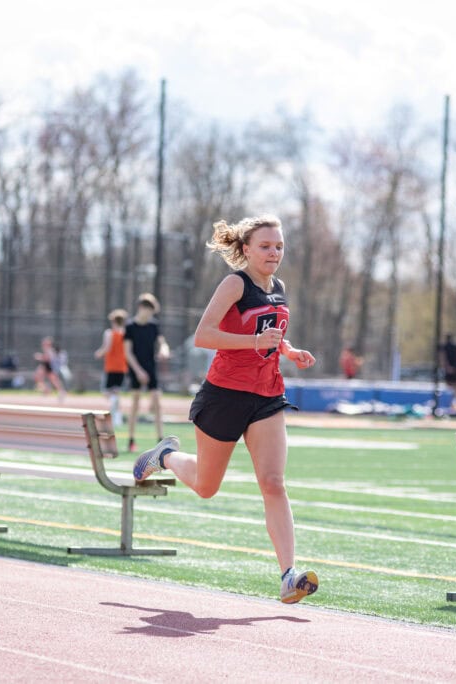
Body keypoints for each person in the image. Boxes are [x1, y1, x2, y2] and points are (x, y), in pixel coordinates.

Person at [132, 215, 319, 604]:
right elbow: (204, 335)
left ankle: (288, 575)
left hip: (266, 396)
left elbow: (272, 334)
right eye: (266, 246)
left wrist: (288, 350)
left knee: (273, 482)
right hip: (224, 395)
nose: (274, 253)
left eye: (279, 246)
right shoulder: (235, 283)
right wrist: (254, 342)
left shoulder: (278, 288)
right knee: (206, 487)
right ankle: (165, 456)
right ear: (246, 249)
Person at [124, 293, 170, 452]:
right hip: (136, 368)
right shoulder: (130, 327)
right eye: (148, 310)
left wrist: (164, 350)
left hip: (150, 367)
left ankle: (160, 440)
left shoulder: (153, 326)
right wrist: (138, 371)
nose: (150, 314)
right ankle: (131, 439)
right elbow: (128, 353)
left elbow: (162, 342)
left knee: (157, 401)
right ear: (141, 308)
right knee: (135, 403)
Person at [94, 308, 128, 426]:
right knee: (117, 392)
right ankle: (117, 417)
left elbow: (107, 348)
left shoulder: (109, 333)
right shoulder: (125, 333)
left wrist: (99, 353)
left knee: (106, 391)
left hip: (111, 366)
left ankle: (114, 412)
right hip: (122, 367)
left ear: (114, 321)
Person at [33, 336, 65, 400]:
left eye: (45, 343)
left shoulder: (49, 350)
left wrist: (39, 357)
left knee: (54, 380)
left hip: (49, 366)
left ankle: (60, 391)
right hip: (46, 366)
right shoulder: (47, 350)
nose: (43, 344)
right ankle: (46, 390)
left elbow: (48, 359)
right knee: (37, 377)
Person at [438, 333, 456, 415]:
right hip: (454, 369)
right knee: (454, 388)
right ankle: (452, 406)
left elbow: (443, 357)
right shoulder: (454, 347)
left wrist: (447, 367)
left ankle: (454, 406)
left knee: (451, 388)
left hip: (451, 369)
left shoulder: (445, 347)